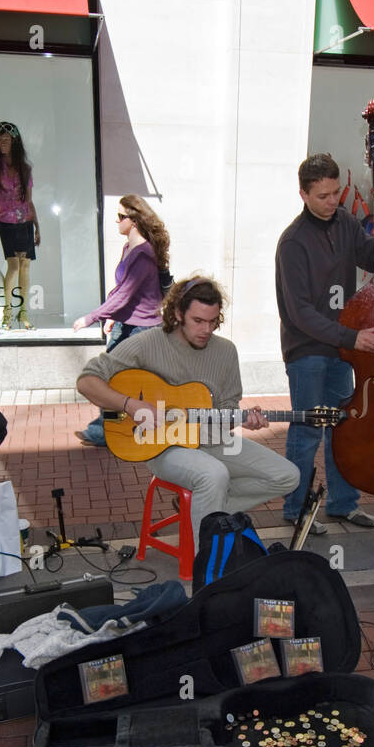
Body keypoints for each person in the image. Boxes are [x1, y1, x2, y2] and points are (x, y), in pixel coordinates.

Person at [76, 275, 299, 543]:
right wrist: (130, 404)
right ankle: (204, 567)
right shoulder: (149, 342)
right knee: (213, 474)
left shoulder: (226, 351)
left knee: (287, 476)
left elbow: (226, 410)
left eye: (213, 321)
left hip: (210, 439)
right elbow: (87, 381)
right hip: (162, 445)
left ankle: (204, 509)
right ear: (178, 313)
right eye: (198, 321)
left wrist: (243, 419)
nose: (206, 329)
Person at [275, 152, 374, 535]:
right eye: (323, 195)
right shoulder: (292, 242)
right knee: (308, 430)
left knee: (343, 427)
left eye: (336, 192)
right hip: (307, 351)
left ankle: (343, 505)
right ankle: (297, 510)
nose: (332, 201)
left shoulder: (347, 222)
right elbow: (300, 313)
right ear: (303, 194)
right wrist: (353, 337)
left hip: (342, 349)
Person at [73, 194, 171, 447]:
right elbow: (121, 292)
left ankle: (108, 431)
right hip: (127, 324)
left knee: (117, 382)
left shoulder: (143, 255)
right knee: (112, 381)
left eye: (120, 217)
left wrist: (91, 317)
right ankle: (107, 430)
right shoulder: (130, 248)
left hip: (142, 328)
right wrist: (112, 318)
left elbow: (126, 293)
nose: (116, 221)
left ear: (134, 220)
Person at [0, 121, 39, 329]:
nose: (3, 143)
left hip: (25, 220)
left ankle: (23, 314)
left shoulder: (25, 168)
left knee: (25, 266)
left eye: (7, 140)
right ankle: (7, 314)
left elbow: (30, 200)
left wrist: (37, 226)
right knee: (13, 265)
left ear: (14, 142)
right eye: (0, 140)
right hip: (5, 220)